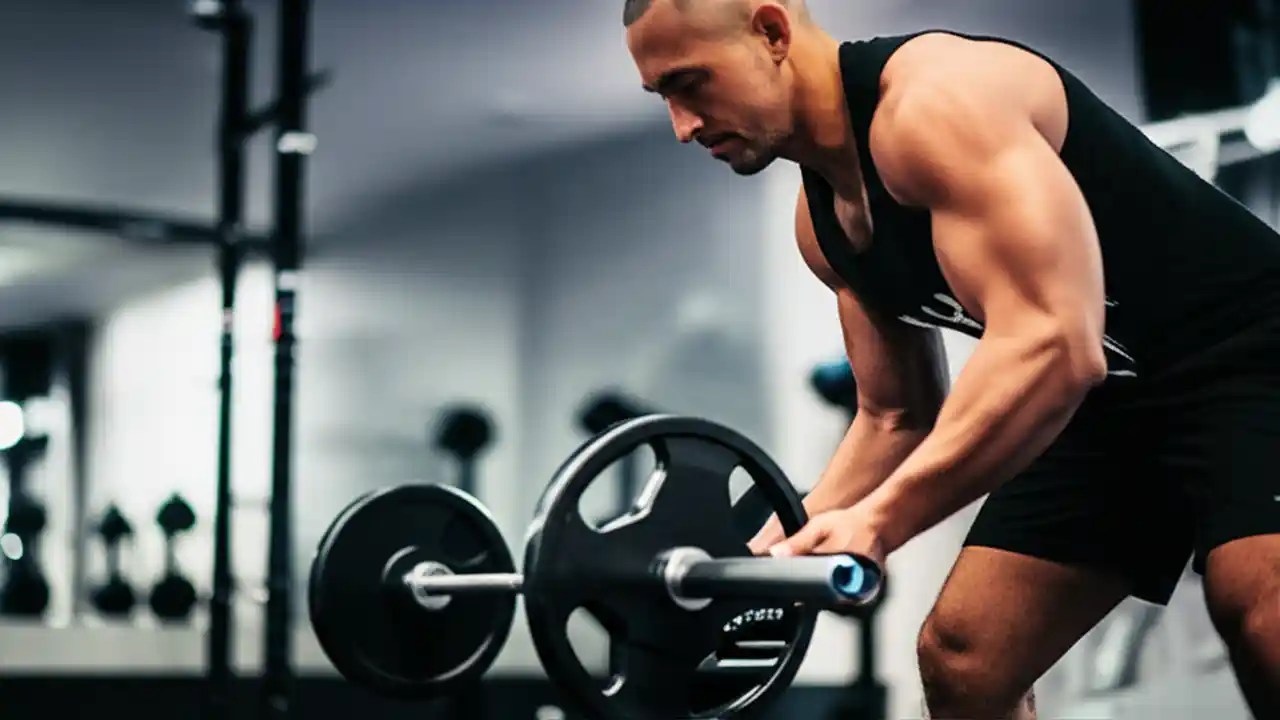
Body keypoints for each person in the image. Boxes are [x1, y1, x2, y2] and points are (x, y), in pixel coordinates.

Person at [622, 1, 1280, 717]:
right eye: (664, 98)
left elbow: (1057, 343)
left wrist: (877, 521)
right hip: (1116, 405)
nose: (682, 126)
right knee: (965, 660)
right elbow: (896, 415)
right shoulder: (822, 225)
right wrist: (777, 544)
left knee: (1262, 613)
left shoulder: (936, 103)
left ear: (772, 32)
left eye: (691, 84)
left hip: (1254, 355)